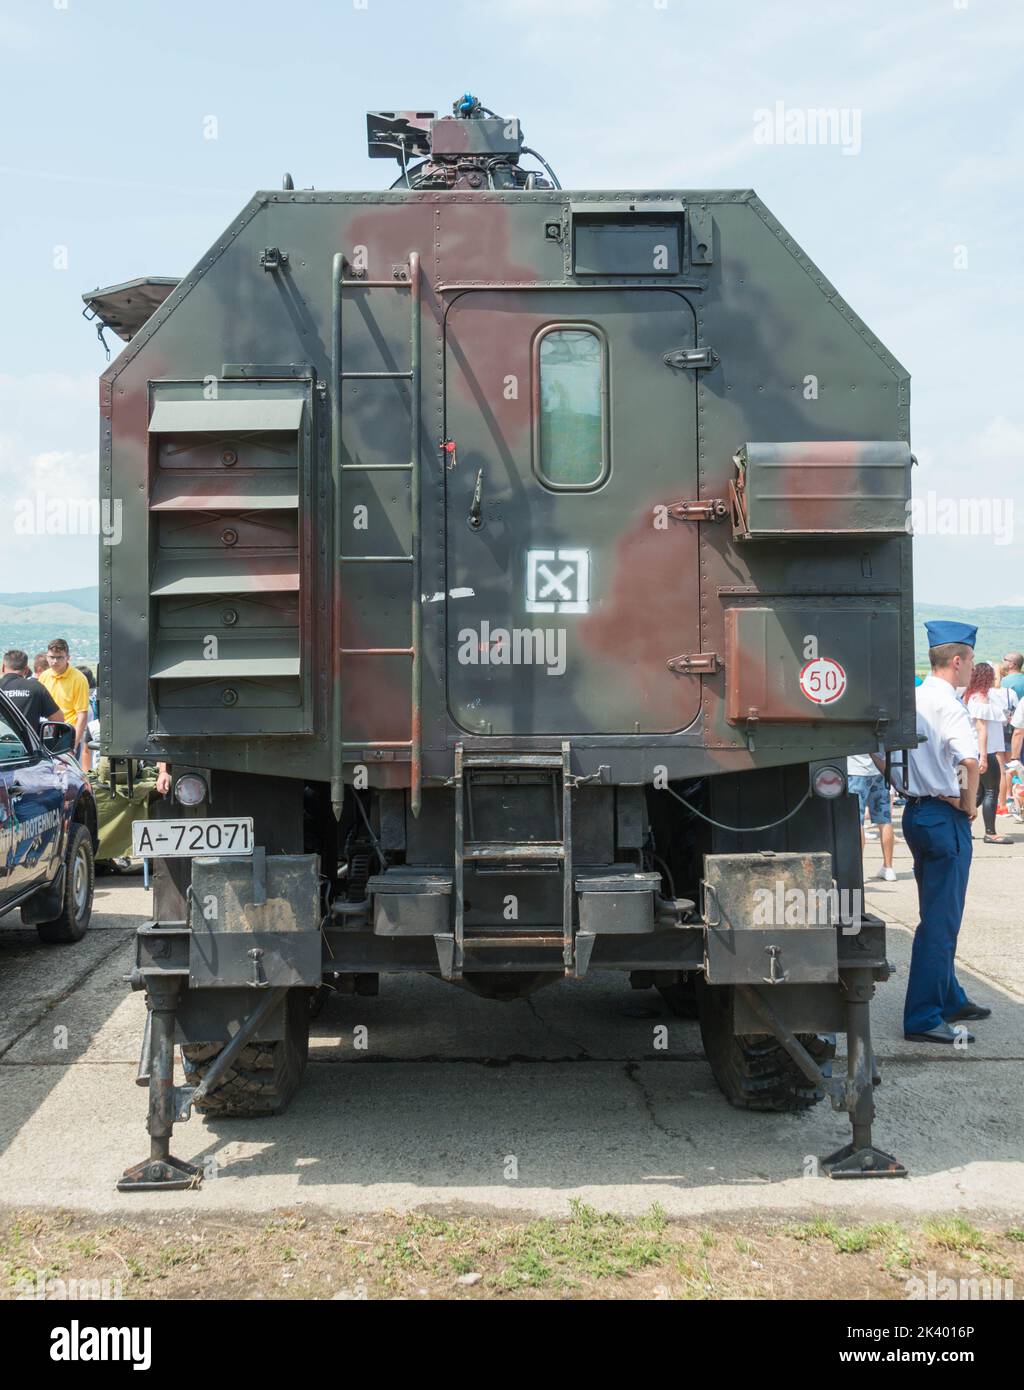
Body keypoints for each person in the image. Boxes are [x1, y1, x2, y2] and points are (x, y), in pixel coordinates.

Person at [882, 620, 984, 1044]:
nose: (971, 668)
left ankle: (949, 996)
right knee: (941, 923)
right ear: (957, 661)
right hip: (944, 819)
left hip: (915, 813)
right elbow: (971, 762)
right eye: (971, 661)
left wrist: (904, 784)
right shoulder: (949, 704)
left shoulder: (911, 698)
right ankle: (924, 1017)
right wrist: (967, 802)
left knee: (935, 913)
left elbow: (877, 751)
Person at [965, 662, 1014, 844]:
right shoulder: (982, 699)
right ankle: (990, 832)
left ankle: (963, 825)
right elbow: (982, 730)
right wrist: (984, 757)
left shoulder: (972, 696)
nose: (995, 679)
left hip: (976, 751)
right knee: (990, 792)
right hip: (986, 751)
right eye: (993, 676)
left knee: (977, 794)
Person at [38, 638, 91, 769]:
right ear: (47, 656)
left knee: (67, 775)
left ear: (68, 658)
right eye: (52, 657)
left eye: (60, 657)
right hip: (47, 731)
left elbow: (82, 715)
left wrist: (72, 745)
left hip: (67, 733)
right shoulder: (44, 676)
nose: (55, 661)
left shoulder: (79, 679)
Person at [847, 752, 896, 880]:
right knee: (885, 820)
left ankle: (858, 868)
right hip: (879, 769)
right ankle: (888, 867)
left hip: (855, 770)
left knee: (857, 820)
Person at [0, 648, 60, 730]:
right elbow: (58, 719)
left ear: (3, 667)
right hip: (27, 742)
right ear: (26, 670)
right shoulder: (37, 688)